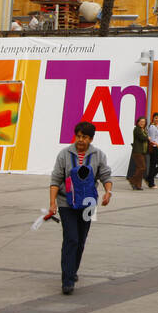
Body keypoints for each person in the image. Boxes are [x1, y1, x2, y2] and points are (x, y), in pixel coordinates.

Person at [46, 121, 112, 295]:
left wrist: (108, 192)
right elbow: (56, 180)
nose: (80, 140)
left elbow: (105, 175)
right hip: (66, 202)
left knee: (81, 239)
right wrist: (52, 203)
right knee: (71, 239)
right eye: (78, 136)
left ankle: (72, 270)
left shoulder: (98, 155)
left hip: (89, 202)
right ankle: (67, 280)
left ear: (91, 139)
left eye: (84, 137)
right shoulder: (64, 154)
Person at [126, 116, 148, 190]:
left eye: (143, 122)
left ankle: (138, 185)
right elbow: (143, 138)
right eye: (141, 122)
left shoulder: (143, 130)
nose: (142, 123)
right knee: (142, 167)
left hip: (143, 152)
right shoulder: (137, 129)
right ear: (138, 122)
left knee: (140, 168)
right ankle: (132, 180)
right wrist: (148, 137)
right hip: (137, 151)